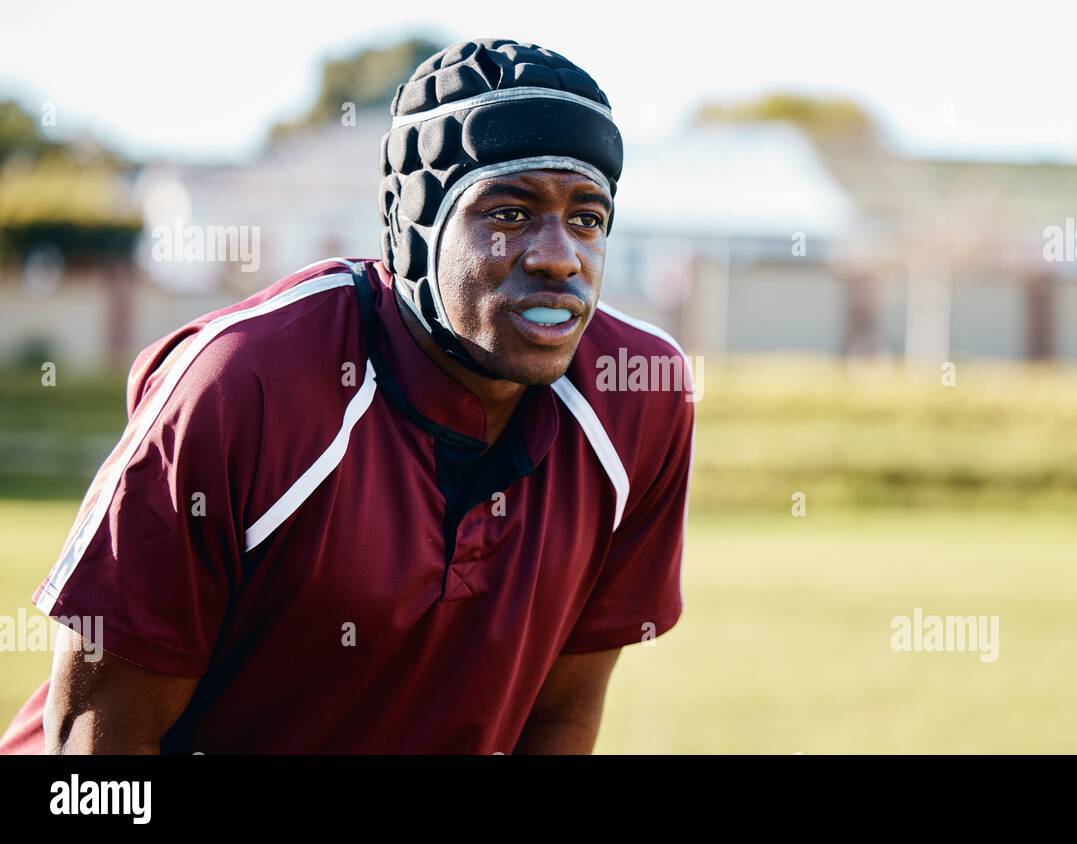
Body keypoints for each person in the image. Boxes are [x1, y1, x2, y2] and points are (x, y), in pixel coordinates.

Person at [0, 37, 694, 754]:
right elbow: (92, 750)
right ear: (414, 222)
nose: (559, 255)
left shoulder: (639, 398)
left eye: (587, 217)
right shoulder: (245, 383)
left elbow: (560, 718)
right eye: (510, 213)